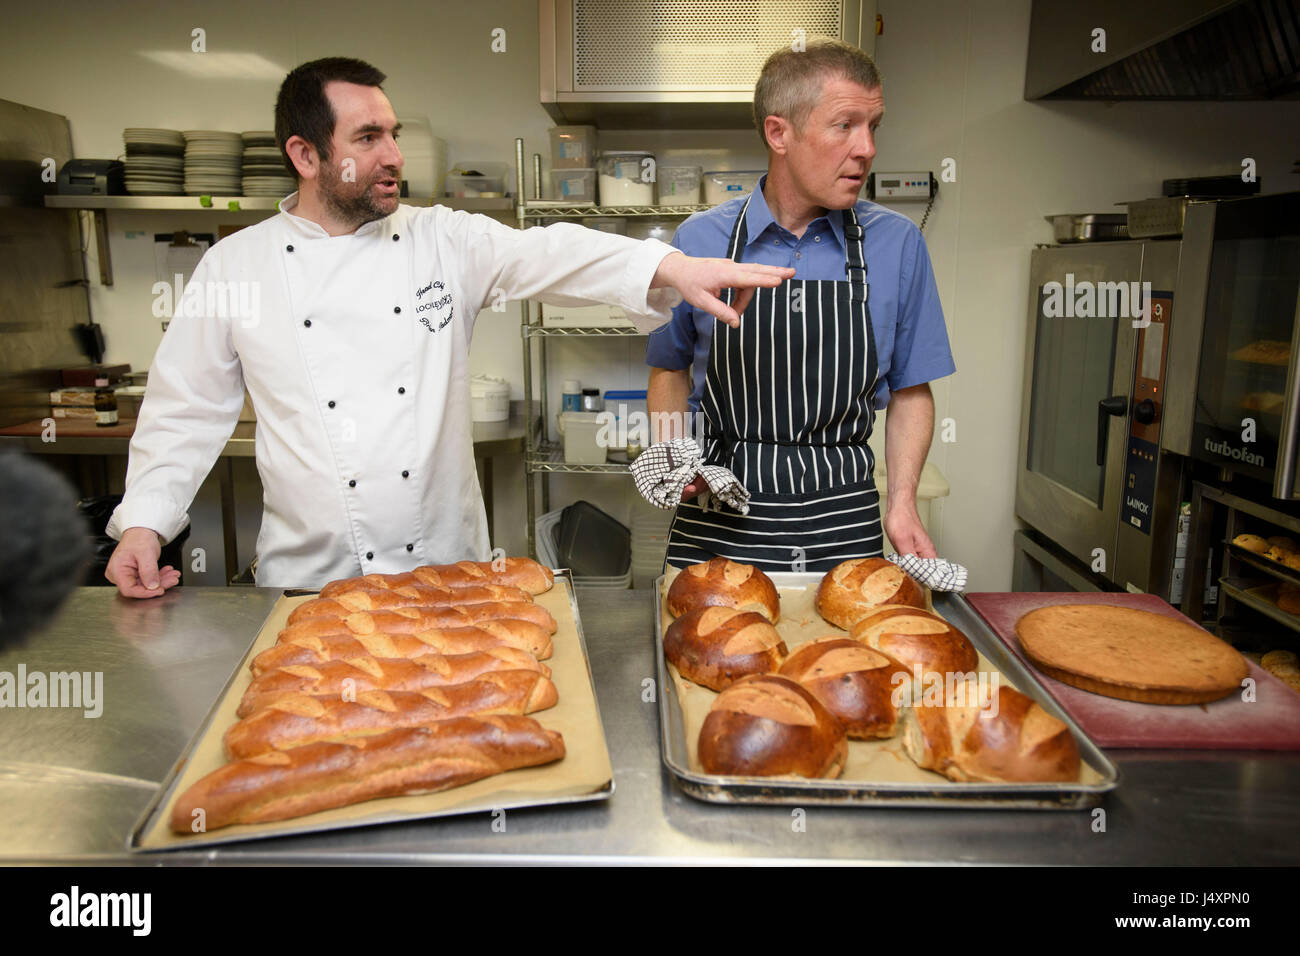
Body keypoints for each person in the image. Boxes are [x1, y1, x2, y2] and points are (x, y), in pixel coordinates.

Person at [105, 56, 793, 598]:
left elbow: (551, 251)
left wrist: (669, 266)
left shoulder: (442, 239)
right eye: (367, 138)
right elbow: (183, 410)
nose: (394, 156)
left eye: (393, 135)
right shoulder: (235, 268)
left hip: (445, 577)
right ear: (306, 155)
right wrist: (145, 523)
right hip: (307, 586)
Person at [645, 39, 956, 572]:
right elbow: (669, 367)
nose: (867, 148)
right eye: (845, 125)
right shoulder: (700, 237)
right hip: (721, 516)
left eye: (873, 126)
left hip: (844, 522)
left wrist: (902, 503)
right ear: (778, 133)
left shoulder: (898, 243)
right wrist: (675, 458)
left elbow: (911, 390)